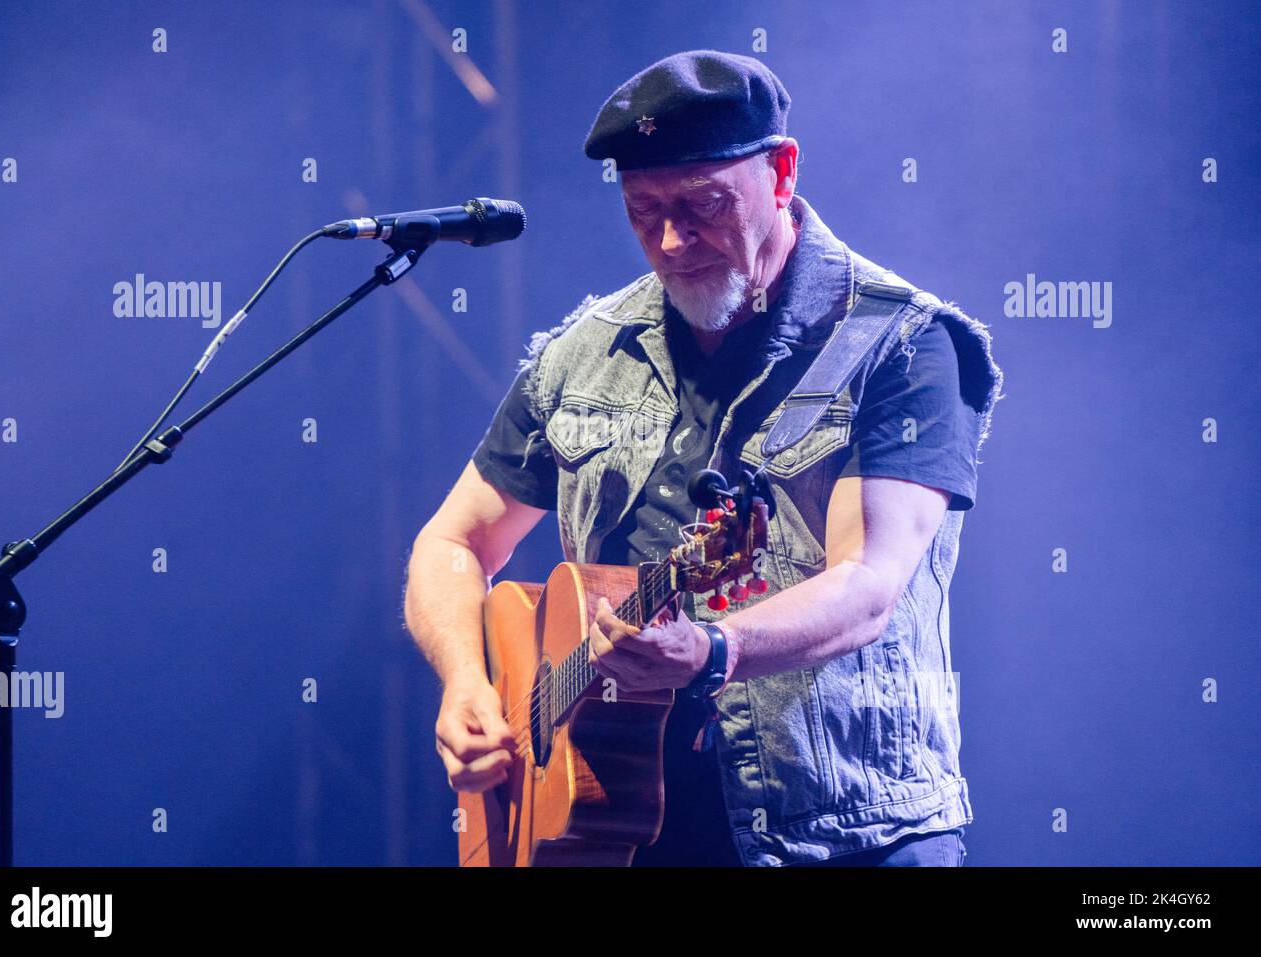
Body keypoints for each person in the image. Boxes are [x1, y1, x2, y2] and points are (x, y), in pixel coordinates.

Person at [404, 49, 1004, 866]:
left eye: (703, 204)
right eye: (642, 209)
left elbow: (868, 586)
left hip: (841, 836)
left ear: (782, 171)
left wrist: (717, 650)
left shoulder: (897, 344)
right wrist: (467, 683)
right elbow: (451, 543)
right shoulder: (582, 351)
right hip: (619, 833)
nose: (672, 239)